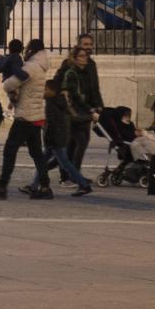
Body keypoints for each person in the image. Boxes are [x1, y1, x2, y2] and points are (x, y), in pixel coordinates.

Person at [0, 39, 53, 199]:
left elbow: (9, 85)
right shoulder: (40, 65)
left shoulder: (31, 66)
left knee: (9, 151)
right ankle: (45, 187)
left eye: (27, 49)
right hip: (36, 115)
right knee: (36, 153)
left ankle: (2, 186)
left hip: (25, 116)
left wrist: (7, 80)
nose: (25, 52)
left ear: (32, 50)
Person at [43, 79, 96, 196]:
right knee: (43, 163)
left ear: (52, 90)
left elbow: (55, 123)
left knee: (64, 164)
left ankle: (83, 185)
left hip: (55, 139)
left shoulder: (54, 103)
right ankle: (34, 186)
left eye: (45, 89)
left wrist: (89, 117)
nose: (43, 91)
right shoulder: (56, 102)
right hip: (56, 138)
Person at [68, 34, 105, 176]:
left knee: (79, 142)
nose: (88, 47)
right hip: (74, 109)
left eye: (90, 44)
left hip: (87, 109)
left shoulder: (91, 64)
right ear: (78, 45)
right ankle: (70, 174)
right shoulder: (70, 64)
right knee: (76, 142)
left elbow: (95, 87)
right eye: (85, 44)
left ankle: (72, 173)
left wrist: (100, 106)